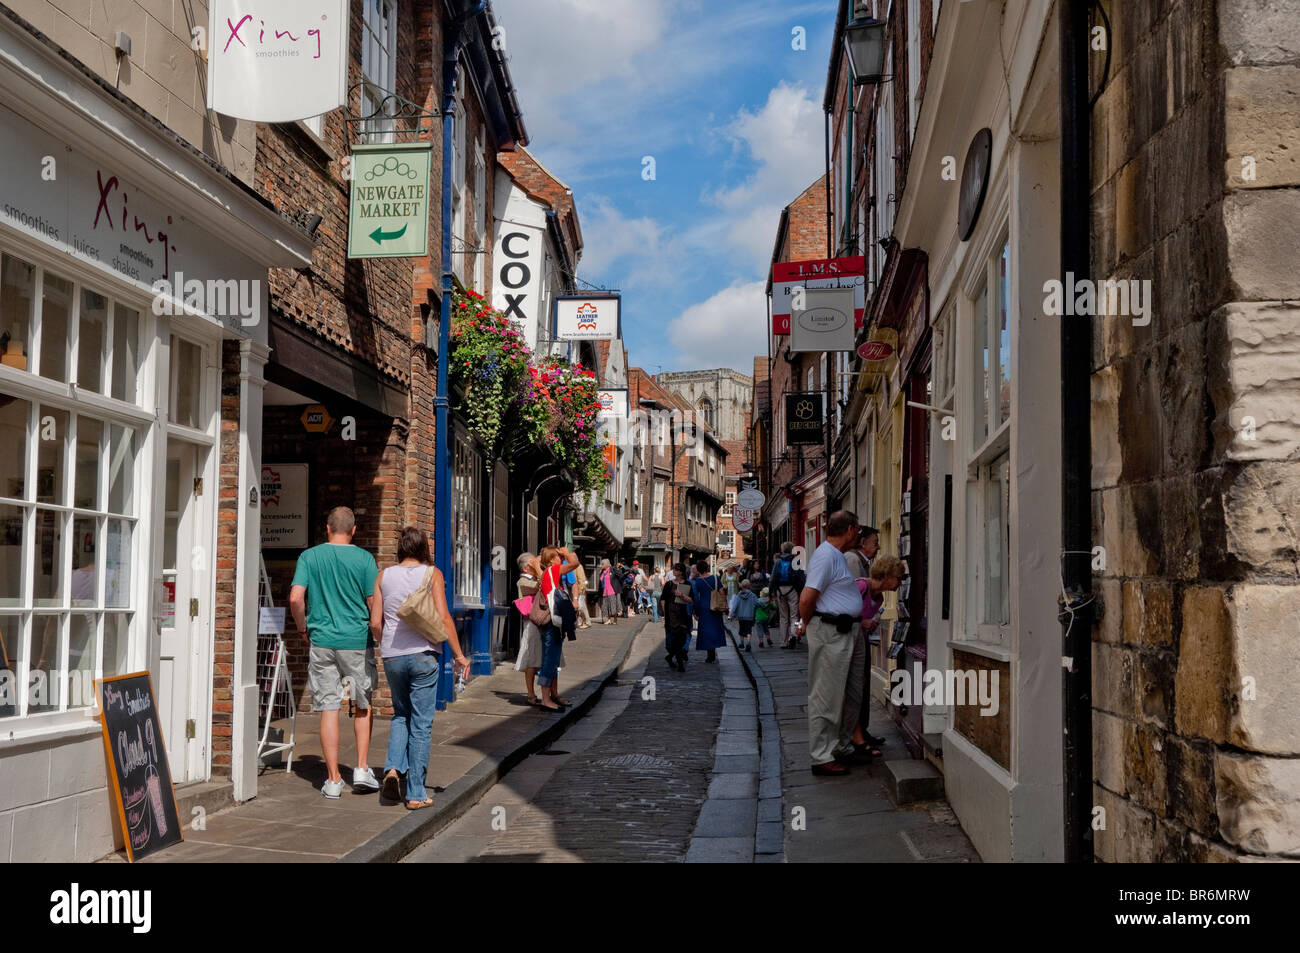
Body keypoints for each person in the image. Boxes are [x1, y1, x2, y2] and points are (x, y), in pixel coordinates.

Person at [369, 527, 469, 810]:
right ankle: (414, 794)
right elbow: (443, 617)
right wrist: (459, 655)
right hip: (424, 655)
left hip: (392, 656)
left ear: (400, 548)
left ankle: (391, 770)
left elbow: (375, 622)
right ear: (423, 548)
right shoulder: (432, 574)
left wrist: (386, 643)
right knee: (422, 726)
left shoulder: (383, 576)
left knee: (401, 714)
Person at [289, 506, 382, 798]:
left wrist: (303, 627)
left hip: (322, 640)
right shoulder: (365, 559)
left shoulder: (309, 557)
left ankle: (332, 780)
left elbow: (295, 597)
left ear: (327, 528)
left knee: (329, 707)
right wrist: (378, 632)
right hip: (356, 640)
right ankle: (362, 769)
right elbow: (372, 602)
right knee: (362, 704)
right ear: (353, 531)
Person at [796, 510, 865, 777]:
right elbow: (806, 598)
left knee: (847, 694)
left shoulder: (834, 556)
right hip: (830, 631)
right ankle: (821, 755)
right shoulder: (826, 556)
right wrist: (808, 625)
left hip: (843, 630)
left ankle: (839, 746)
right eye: (857, 530)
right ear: (849, 529)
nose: (858, 534)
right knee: (826, 695)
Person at [537, 546, 580, 710]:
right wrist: (567, 554)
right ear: (551, 560)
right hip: (552, 623)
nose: (560, 559)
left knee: (552, 659)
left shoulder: (548, 574)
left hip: (550, 621)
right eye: (557, 557)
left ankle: (548, 697)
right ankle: (545, 699)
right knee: (550, 659)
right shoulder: (553, 570)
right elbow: (575, 564)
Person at [514, 552, 544, 704]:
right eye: (532, 564)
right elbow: (542, 585)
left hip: (540, 622)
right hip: (532, 624)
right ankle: (531, 694)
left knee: (539, 658)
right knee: (531, 659)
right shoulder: (522, 581)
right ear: (526, 568)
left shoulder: (532, 578)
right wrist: (539, 567)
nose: (536, 566)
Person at [690, 560, 727, 663]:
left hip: (704, 607)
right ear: (707, 568)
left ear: (698, 570)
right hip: (715, 607)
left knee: (706, 631)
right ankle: (712, 650)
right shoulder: (715, 578)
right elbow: (722, 592)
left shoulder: (697, 581)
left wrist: (695, 612)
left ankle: (709, 654)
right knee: (714, 629)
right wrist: (724, 605)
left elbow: (696, 598)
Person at [771, 541, 805, 649]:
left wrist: (772, 592)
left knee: (783, 617)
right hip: (793, 590)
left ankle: (783, 642)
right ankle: (793, 635)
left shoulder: (778, 562)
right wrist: (801, 591)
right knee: (793, 616)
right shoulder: (797, 561)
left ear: (782, 550)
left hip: (780, 590)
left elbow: (773, 578)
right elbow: (801, 578)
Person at [661, 563, 692, 671]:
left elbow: (691, 600)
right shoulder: (669, 584)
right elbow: (663, 599)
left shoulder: (687, 584)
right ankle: (672, 658)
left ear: (681, 572)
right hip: (670, 616)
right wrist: (665, 614)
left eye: (676, 569)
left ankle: (677, 662)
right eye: (674, 569)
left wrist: (681, 595)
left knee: (681, 640)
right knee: (671, 642)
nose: (674, 571)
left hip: (682, 616)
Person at [729, 578, 759, 652]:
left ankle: (742, 643)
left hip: (741, 616)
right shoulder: (752, 595)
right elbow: (757, 603)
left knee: (741, 630)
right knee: (748, 630)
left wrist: (731, 615)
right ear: (749, 586)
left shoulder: (738, 595)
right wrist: (764, 603)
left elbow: (734, 606)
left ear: (742, 586)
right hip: (749, 616)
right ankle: (748, 643)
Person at [572, 560, 592, 629]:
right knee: (579, 607)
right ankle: (582, 621)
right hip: (574, 590)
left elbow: (581, 578)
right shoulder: (572, 566)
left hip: (579, 590)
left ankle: (587, 622)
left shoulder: (578, 566)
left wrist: (581, 589)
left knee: (581, 606)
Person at [599, 558, 619, 624]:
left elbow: (618, 575)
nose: (601, 565)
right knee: (606, 606)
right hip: (604, 591)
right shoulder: (602, 572)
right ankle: (608, 619)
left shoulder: (612, 570)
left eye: (603, 564)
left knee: (612, 606)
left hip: (611, 591)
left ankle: (615, 620)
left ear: (607, 565)